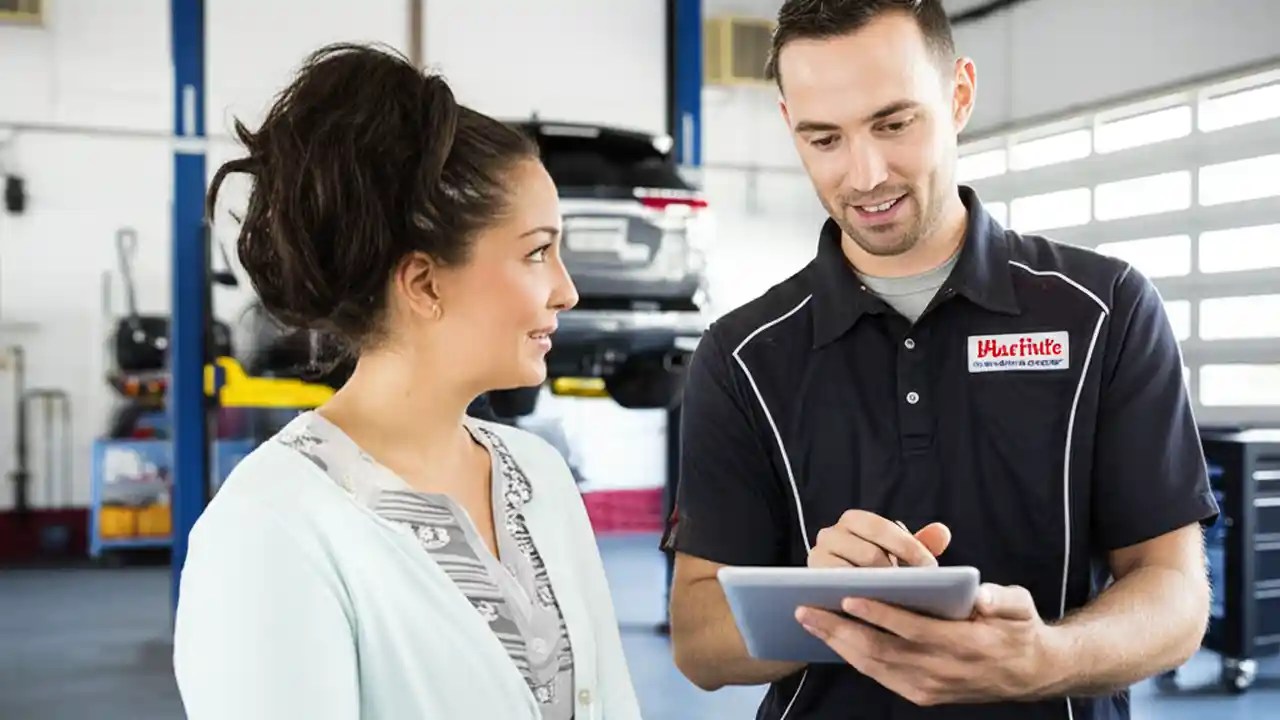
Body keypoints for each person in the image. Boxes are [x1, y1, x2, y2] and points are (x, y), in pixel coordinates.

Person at [661, 1, 1218, 719]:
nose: (865, 175)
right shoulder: (741, 356)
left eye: (894, 124)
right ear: (789, 124)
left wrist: (1044, 659)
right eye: (824, 138)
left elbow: (1175, 594)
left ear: (959, 95)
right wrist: (817, 599)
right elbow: (698, 643)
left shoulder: (1104, 311)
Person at [172, 43, 642, 720]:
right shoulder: (270, 526)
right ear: (423, 283)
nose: (566, 290)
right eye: (537, 252)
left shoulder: (540, 476)